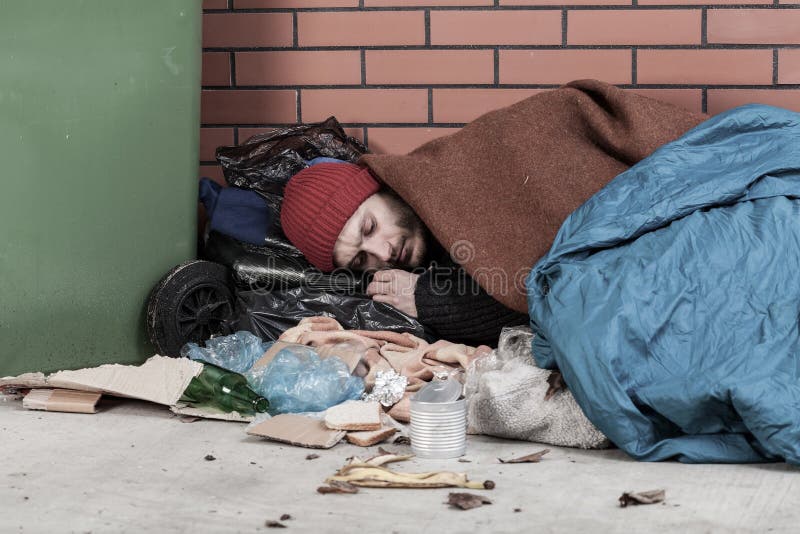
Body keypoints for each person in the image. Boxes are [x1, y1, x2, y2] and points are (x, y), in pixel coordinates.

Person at [280, 161, 528, 347]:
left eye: (370, 227)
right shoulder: (420, 264)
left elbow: (536, 298)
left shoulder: (460, 191)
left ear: (383, 189)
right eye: (360, 259)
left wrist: (428, 300)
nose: (384, 253)